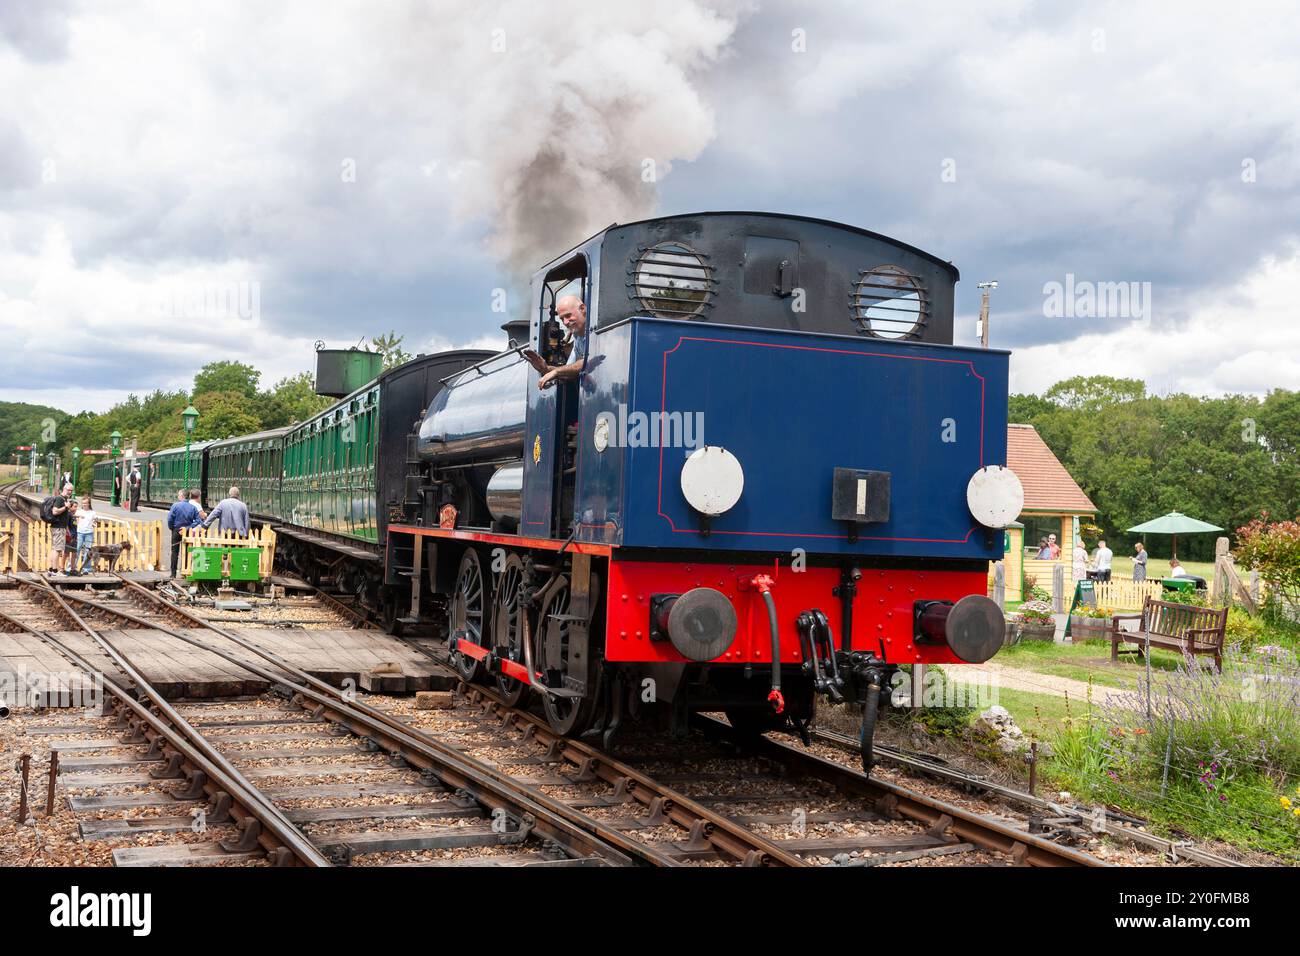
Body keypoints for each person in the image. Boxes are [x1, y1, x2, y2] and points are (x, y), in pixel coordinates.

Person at [524, 294, 587, 390]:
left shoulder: (597, 332)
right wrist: (546, 369)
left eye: (568, 315)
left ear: (582, 309)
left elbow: (590, 360)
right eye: (562, 319)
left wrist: (556, 372)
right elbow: (570, 370)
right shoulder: (577, 337)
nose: (565, 322)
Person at [166, 488, 197, 578]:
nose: (178, 497)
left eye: (179, 495)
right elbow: (198, 521)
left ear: (182, 496)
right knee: (188, 551)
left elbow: (170, 519)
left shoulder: (175, 506)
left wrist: (172, 528)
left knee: (174, 552)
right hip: (187, 531)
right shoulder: (193, 507)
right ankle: (185, 573)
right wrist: (188, 527)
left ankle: (173, 574)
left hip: (176, 530)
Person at [46, 483, 76, 575]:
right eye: (68, 490)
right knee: (57, 549)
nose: (70, 492)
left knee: (55, 548)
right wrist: (65, 507)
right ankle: (55, 570)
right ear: (64, 489)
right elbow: (55, 511)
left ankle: (51, 569)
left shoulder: (65, 499)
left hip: (59, 527)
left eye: (71, 490)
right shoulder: (59, 499)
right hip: (58, 527)